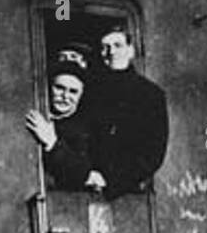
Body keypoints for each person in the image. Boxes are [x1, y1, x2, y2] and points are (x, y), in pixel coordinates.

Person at [86, 27, 169, 199]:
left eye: (118, 45)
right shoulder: (90, 90)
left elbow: (153, 153)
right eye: (105, 47)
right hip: (86, 186)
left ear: (130, 51)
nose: (111, 52)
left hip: (127, 193)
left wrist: (111, 180)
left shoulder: (150, 94)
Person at [24, 49, 94, 190]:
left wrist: (52, 143)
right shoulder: (35, 115)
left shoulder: (84, 129)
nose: (65, 96)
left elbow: (80, 174)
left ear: (81, 95)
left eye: (73, 92)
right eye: (59, 88)